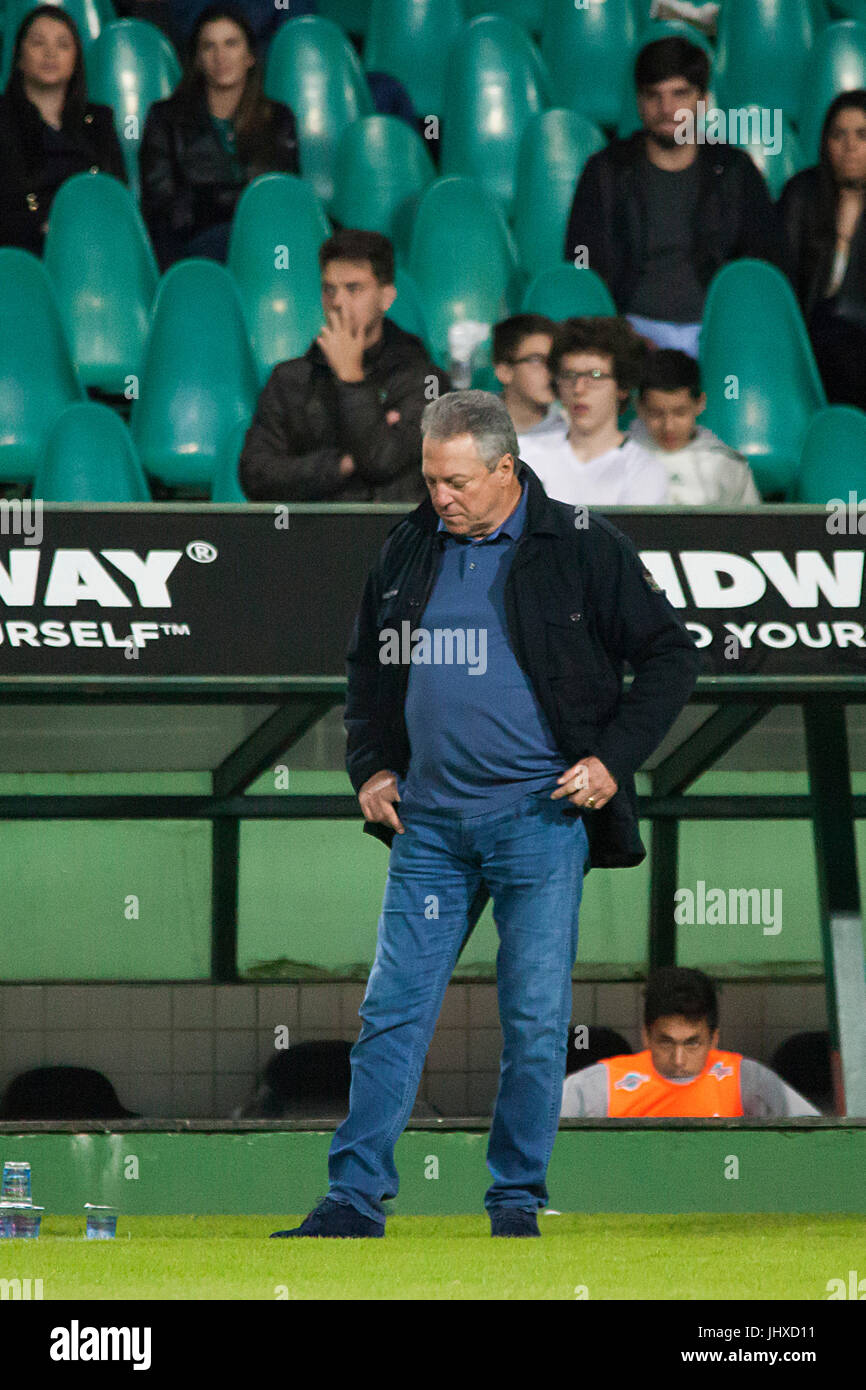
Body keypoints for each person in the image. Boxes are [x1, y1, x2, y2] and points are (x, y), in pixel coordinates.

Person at [270, 389, 701, 1239]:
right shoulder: (407, 548)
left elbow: (669, 654)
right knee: (391, 1014)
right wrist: (371, 767)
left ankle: (515, 1202)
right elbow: (368, 672)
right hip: (427, 827)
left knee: (536, 1021)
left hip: (539, 822)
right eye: (431, 480)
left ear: (507, 469)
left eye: (457, 482)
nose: (441, 498)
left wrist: (612, 762)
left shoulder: (581, 545)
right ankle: (353, 1201)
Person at [563, 37, 777, 358]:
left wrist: (727, 331)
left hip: (719, 332)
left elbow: (765, 267)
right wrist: (620, 335)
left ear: (703, 101)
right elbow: (582, 265)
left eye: (679, 94)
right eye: (654, 96)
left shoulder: (734, 170)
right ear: (638, 103)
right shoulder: (606, 172)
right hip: (630, 330)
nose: (667, 109)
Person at [239, 229, 450, 502]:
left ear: (386, 297)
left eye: (354, 289)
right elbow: (256, 476)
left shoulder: (423, 381)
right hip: (311, 538)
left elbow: (381, 461)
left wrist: (351, 380)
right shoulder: (289, 379)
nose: (337, 302)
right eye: (329, 290)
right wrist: (342, 464)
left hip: (391, 538)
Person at [139, 4, 298, 269]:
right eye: (209, 46)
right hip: (196, 242)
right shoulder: (165, 118)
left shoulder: (278, 118)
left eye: (231, 44)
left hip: (265, 241)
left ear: (250, 56)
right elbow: (161, 207)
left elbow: (286, 197)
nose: (220, 56)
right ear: (198, 60)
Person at [561, 967, 821, 1117]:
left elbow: (817, 1137)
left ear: (714, 1038)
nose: (678, 1060)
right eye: (665, 1043)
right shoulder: (600, 1085)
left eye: (692, 1043)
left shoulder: (747, 1079)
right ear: (646, 1035)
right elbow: (534, 1136)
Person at [0, 5, 126, 256]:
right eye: (38, 43)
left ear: (76, 59)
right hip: (22, 250)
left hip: (93, 248)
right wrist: (42, 227)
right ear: (18, 55)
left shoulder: (99, 120)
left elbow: (117, 195)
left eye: (62, 45)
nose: (50, 53)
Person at [518, 317, 669, 505]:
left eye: (595, 375)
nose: (579, 389)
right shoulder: (526, 455)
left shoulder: (644, 469)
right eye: (569, 375)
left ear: (621, 386)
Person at [778, 90, 866, 412]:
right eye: (838, 135)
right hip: (812, 334)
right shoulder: (802, 195)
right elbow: (783, 282)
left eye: (862, 135)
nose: (850, 146)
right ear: (825, 142)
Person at [632, 348, 761, 504]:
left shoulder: (726, 464)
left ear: (700, 403)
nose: (668, 427)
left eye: (680, 413)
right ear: (640, 407)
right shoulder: (619, 457)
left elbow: (749, 525)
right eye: (656, 414)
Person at [491, 313, 566, 448]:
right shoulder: (470, 428)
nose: (551, 371)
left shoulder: (570, 430)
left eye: (554, 361)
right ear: (505, 372)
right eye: (536, 360)